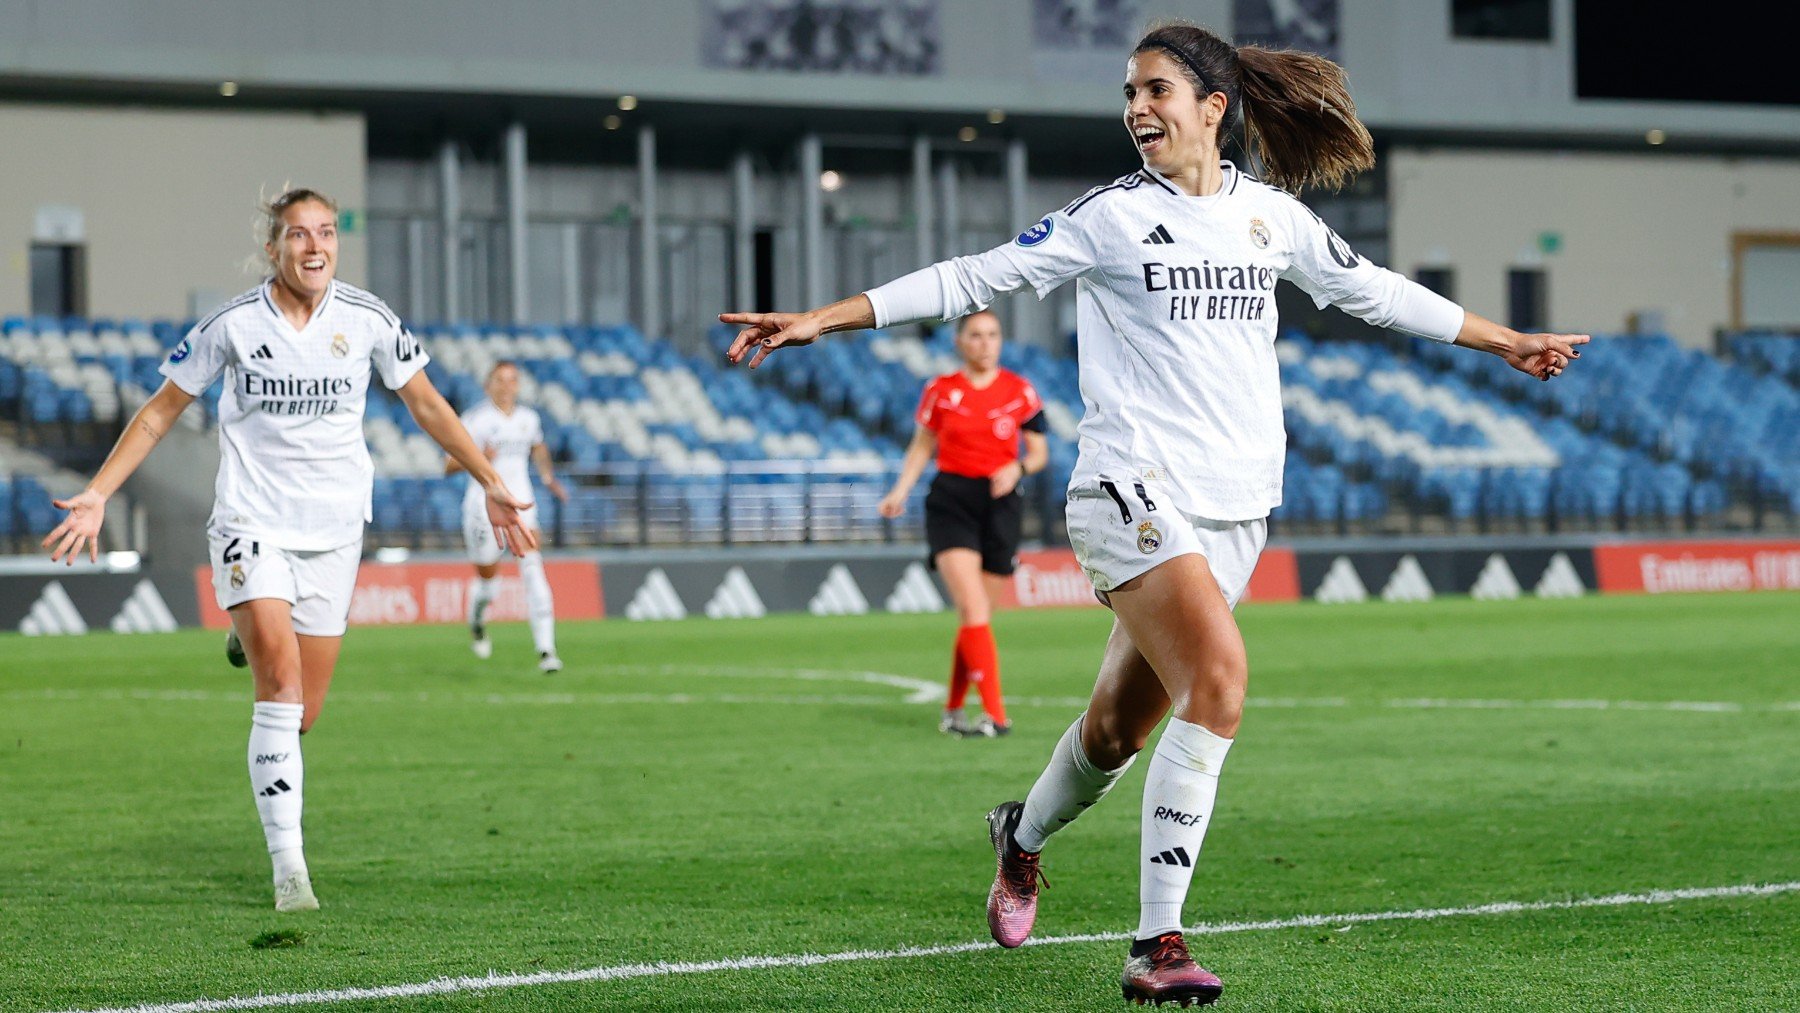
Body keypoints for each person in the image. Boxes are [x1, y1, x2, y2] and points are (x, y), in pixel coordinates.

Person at [721, 20, 1588, 1006]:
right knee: (1218, 680)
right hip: (1128, 486)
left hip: (1237, 505)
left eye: (1156, 90)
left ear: (1213, 108)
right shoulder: (1112, 216)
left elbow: (1374, 292)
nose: (1137, 108)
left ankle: (1020, 836)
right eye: (1130, 92)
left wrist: (1505, 339)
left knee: (1114, 732)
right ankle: (1157, 943)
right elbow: (976, 275)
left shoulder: (1271, 217)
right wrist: (823, 318)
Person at [42, 187, 535, 913]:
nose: (315, 246)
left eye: (327, 232)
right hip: (253, 521)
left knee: (304, 714)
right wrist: (98, 492)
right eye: (299, 234)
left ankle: (248, 632)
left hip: (334, 531)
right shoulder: (233, 324)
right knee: (279, 685)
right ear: (272, 247)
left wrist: (489, 478)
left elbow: (427, 403)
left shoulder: (367, 319)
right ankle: (289, 868)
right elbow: (159, 411)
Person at [877, 310, 1048, 737]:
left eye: (992, 335)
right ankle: (996, 715)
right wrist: (900, 491)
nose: (985, 343)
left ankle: (953, 710)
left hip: (1001, 503)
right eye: (975, 335)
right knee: (973, 609)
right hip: (951, 501)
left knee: (978, 617)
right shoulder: (940, 390)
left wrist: (1018, 468)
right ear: (959, 342)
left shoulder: (1020, 391)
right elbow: (922, 447)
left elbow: (1039, 453)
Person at [448, 360, 570, 672]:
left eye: (512, 380)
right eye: (499, 380)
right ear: (488, 385)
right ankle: (477, 622)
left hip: (521, 505)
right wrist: (478, 457)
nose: (506, 386)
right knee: (488, 583)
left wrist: (547, 477)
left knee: (533, 569)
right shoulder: (475, 420)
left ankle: (547, 650)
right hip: (482, 508)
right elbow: (448, 465)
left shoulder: (528, 419)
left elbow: (538, 447)